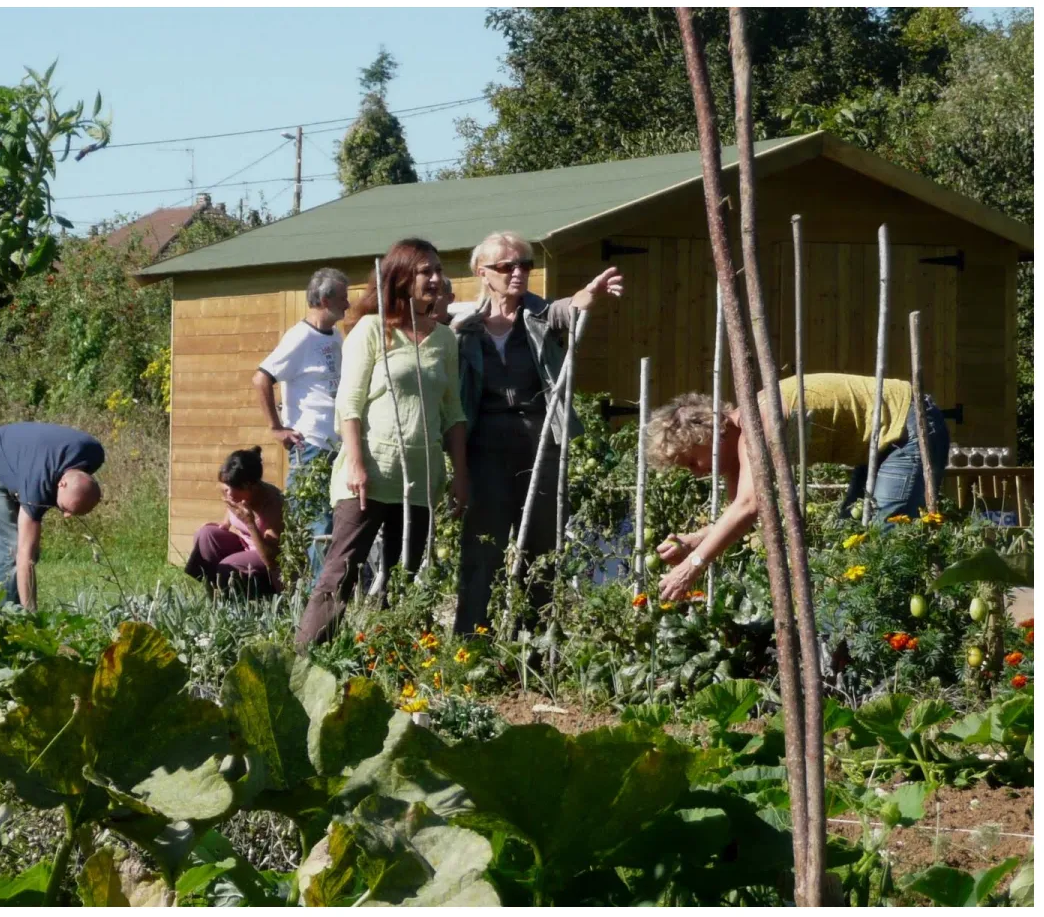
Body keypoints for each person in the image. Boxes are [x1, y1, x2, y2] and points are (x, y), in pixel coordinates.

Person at [296, 238, 469, 648]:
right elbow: (349, 403)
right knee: (341, 571)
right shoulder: (373, 330)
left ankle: (393, 662)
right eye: (425, 271)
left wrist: (460, 474)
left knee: (406, 574)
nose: (435, 279)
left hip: (421, 479)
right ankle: (303, 659)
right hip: (369, 476)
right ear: (402, 278)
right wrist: (355, 463)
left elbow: (453, 414)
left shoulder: (444, 340)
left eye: (438, 271)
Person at [451, 231, 623, 636]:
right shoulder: (465, 326)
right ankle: (471, 640)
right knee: (483, 545)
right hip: (484, 443)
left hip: (538, 437)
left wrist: (591, 294)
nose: (518, 273)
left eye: (524, 265)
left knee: (541, 543)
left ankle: (534, 639)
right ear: (482, 272)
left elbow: (571, 308)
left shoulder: (539, 314)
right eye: (507, 266)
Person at [649, 372, 951, 601]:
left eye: (691, 462)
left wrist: (692, 566)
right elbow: (741, 514)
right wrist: (696, 541)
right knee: (854, 542)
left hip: (906, 426)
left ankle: (895, 633)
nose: (697, 473)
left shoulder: (757, 426)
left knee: (883, 542)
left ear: (709, 435)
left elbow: (748, 507)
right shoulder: (738, 442)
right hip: (878, 444)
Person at [252, 267, 349, 581]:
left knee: (334, 522)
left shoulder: (335, 334)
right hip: (310, 446)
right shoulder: (299, 337)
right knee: (316, 523)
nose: (347, 305)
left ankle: (328, 593)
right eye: (342, 298)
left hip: (337, 445)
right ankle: (318, 598)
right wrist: (277, 428)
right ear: (324, 298)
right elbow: (261, 378)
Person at [0, 422, 104, 608]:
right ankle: (11, 618)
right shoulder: (38, 487)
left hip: (22, 459)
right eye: (64, 508)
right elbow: (25, 559)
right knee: (12, 550)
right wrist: (33, 617)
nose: (65, 516)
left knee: (26, 543)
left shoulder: (95, 454)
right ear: (61, 484)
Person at [185, 446, 284, 598]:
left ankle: (243, 601)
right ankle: (213, 594)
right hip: (244, 546)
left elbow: (273, 559)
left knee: (229, 567)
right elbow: (230, 506)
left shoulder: (273, 504)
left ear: (253, 485)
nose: (229, 493)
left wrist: (250, 524)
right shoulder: (234, 491)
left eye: (235, 488)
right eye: (226, 487)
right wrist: (224, 524)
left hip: (266, 560)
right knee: (206, 535)